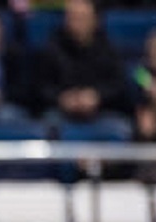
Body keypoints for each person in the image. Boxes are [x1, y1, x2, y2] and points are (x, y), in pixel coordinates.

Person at [37, 0, 130, 134]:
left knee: (121, 128)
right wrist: (61, 98)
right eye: (72, 18)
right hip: (60, 111)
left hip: (101, 110)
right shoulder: (51, 48)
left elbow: (119, 85)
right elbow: (40, 87)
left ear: (95, 21)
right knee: (46, 126)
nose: (76, 24)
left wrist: (97, 96)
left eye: (82, 18)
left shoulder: (109, 49)